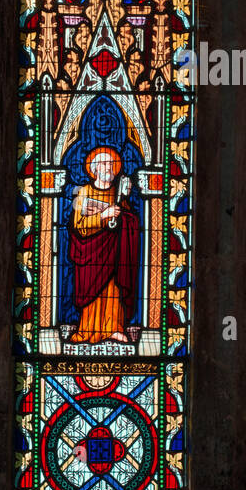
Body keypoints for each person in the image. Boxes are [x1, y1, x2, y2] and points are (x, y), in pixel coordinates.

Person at [68, 147, 138, 345]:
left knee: (113, 289)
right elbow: (78, 225)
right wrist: (103, 216)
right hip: (90, 252)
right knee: (93, 292)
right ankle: (87, 329)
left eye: (111, 163)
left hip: (114, 253)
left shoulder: (118, 194)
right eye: (104, 163)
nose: (109, 167)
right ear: (95, 169)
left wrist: (122, 215)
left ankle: (114, 328)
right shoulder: (84, 192)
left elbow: (130, 221)